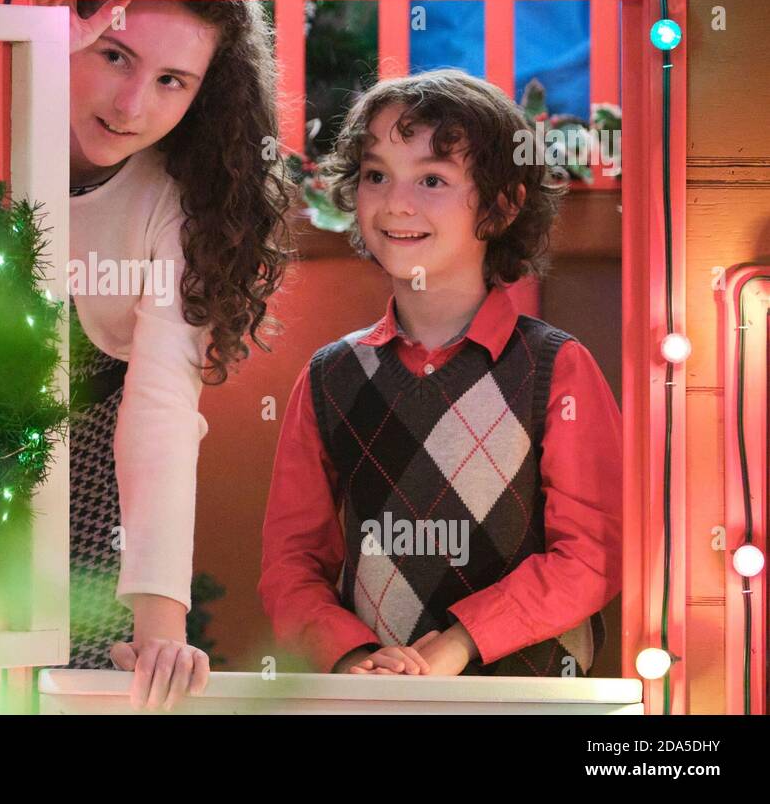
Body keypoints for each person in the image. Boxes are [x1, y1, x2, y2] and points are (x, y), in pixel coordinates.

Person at [258, 69, 622, 677]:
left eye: (433, 178)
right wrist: (351, 655)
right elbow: (291, 562)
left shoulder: (558, 369)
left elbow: (592, 555)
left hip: (527, 703)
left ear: (503, 205)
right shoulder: (330, 377)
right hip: (376, 702)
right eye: (377, 175)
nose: (396, 202)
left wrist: (459, 642)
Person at [52, 0, 293, 707]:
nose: (132, 103)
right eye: (115, 56)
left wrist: (160, 622)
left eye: (172, 81)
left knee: (84, 676)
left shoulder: (179, 199)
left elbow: (158, 407)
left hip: (96, 464)